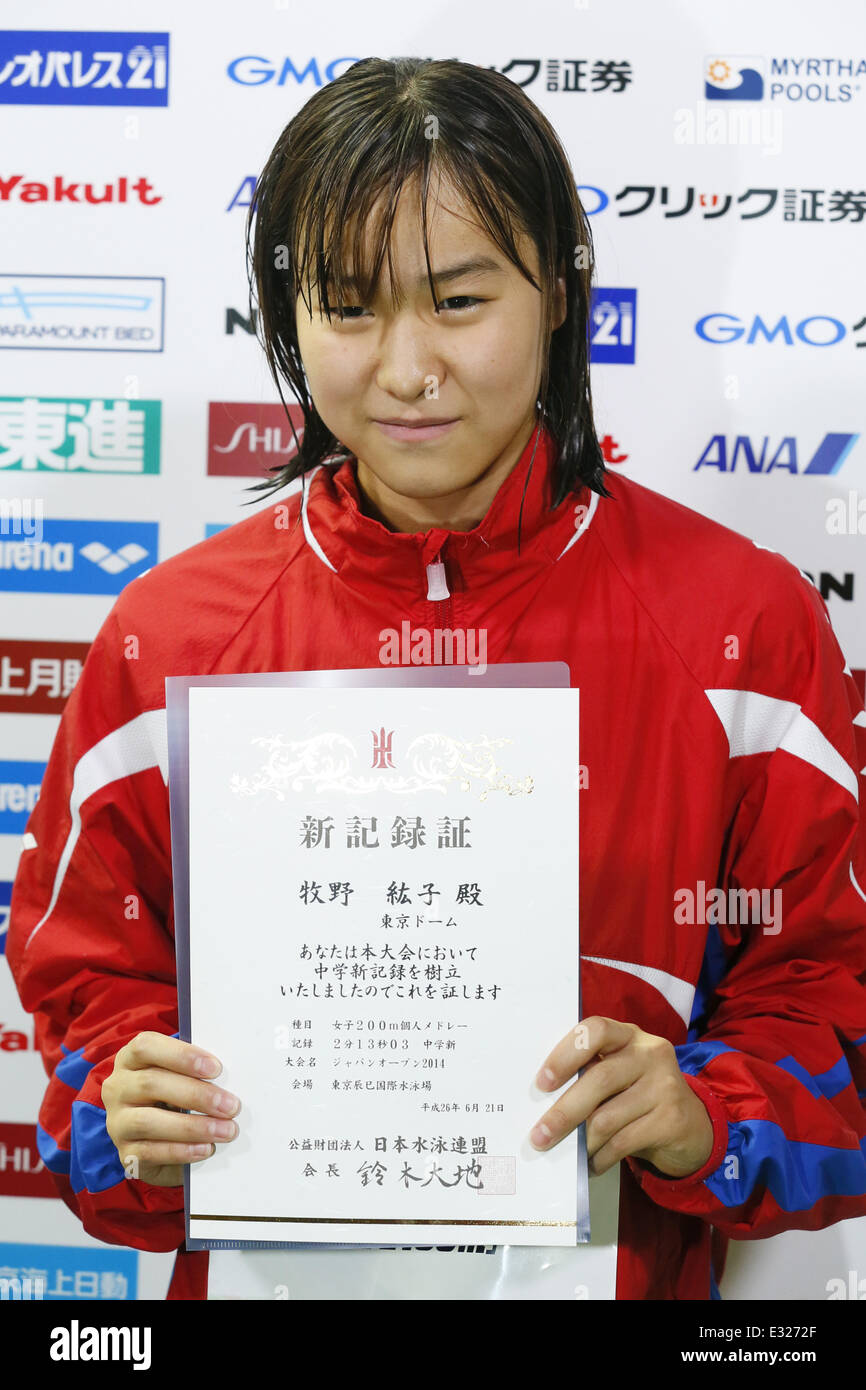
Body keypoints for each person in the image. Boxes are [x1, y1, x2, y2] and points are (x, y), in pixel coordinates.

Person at [8, 56, 866, 1301]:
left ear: (562, 294)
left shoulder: (739, 623)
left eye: (459, 301)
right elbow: (89, 989)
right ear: (285, 315)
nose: (406, 369)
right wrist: (121, 1100)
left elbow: (824, 992)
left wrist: (703, 1115)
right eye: (349, 308)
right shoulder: (170, 636)